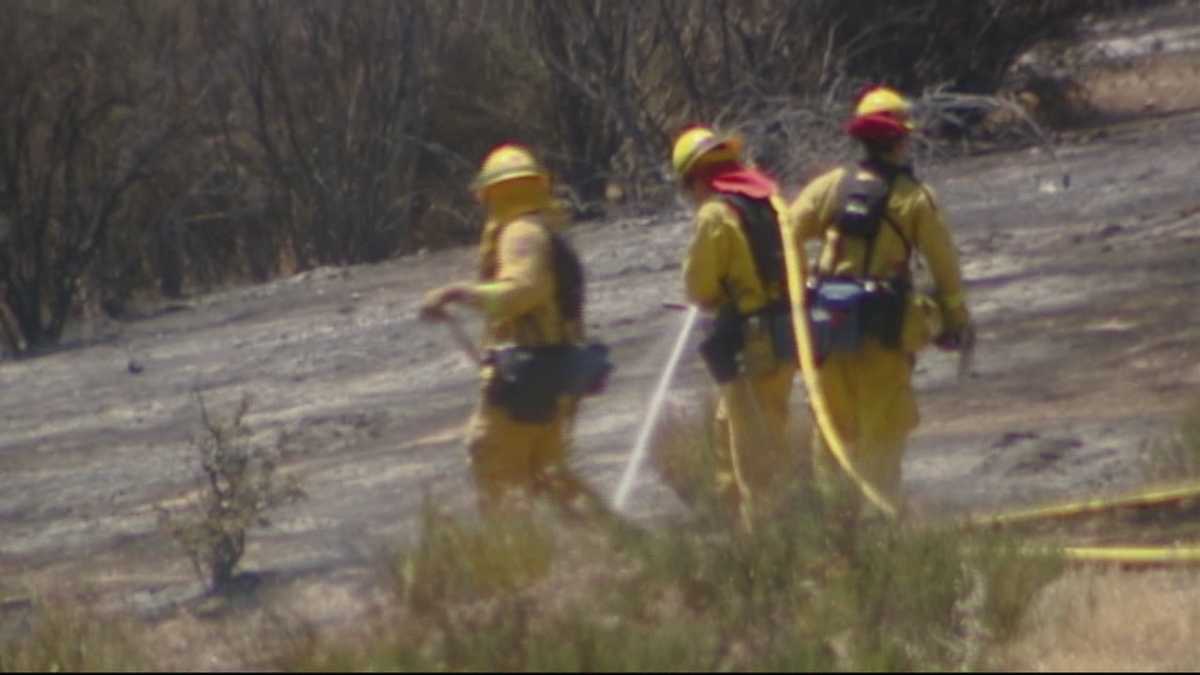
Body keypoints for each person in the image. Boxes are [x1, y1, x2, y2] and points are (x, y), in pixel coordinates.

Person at [786, 85, 974, 513]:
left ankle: (836, 529)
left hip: (828, 333)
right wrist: (956, 319)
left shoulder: (830, 187)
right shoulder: (914, 199)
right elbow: (944, 266)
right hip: (884, 335)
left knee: (832, 436)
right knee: (883, 434)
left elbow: (786, 233)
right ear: (902, 138)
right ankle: (882, 525)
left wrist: (801, 291)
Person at [418, 143, 608, 518]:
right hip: (552, 373)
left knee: (494, 458)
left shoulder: (520, 234)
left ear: (490, 193)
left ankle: (515, 557)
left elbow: (521, 291)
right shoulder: (544, 232)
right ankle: (618, 548)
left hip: (526, 377)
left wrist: (457, 294)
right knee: (550, 475)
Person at [672, 125, 797, 528]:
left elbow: (699, 286)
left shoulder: (715, 214)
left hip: (749, 345)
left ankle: (765, 541)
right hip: (782, 334)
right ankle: (733, 525)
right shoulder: (767, 202)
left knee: (753, 452)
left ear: (693, 179)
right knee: (737, 428)